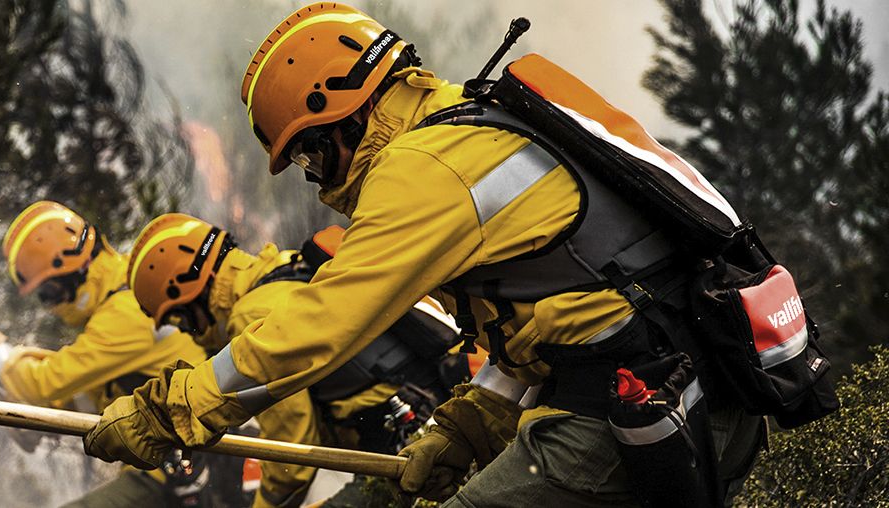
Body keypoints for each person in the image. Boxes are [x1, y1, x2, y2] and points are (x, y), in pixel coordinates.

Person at [81, 4, 766, 506]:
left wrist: (167, 412)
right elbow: (560, 308)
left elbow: (321, 323)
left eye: (314, 155)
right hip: (675, 402)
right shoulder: (468, 127)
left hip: (638, 411)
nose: (320, 185)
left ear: (342, 107)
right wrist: (473, 423)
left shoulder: (425, 167)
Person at [126, 213, 475, 507]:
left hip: (414, 446)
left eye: (181, 320)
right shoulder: (289, 268)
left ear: (186, 287)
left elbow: (290, 456)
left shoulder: (250, 318)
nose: (190, 332)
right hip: (446, 412)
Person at [0, 200, 220, 507]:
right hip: (174, 462)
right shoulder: (120, 297)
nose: (50, 306)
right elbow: (86, 393)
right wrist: (37, 415)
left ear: (72, 273)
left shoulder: (126, 312)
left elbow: (41, 382)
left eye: (48, 293)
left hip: (186, 464)